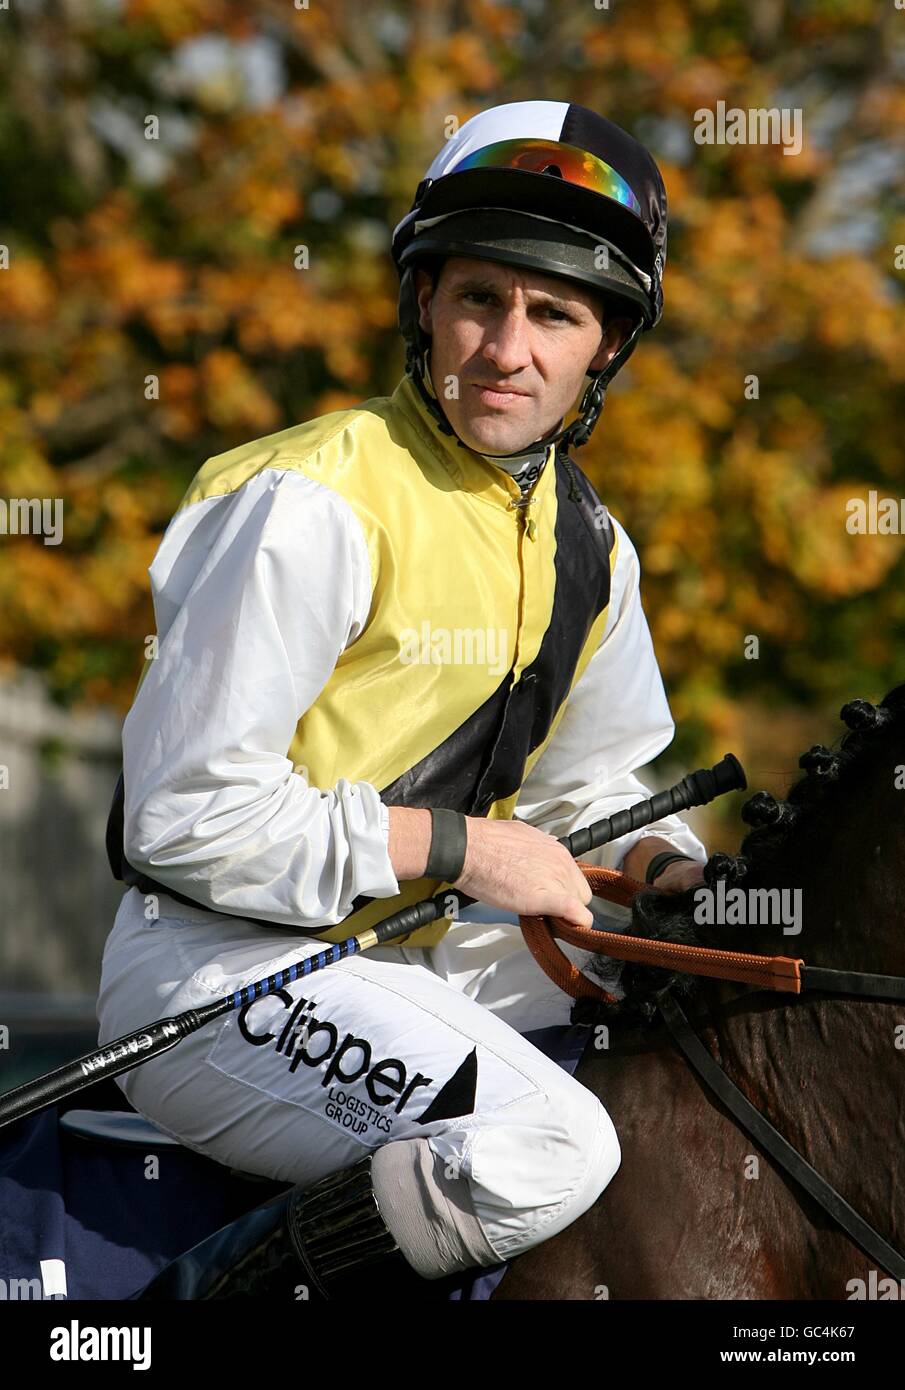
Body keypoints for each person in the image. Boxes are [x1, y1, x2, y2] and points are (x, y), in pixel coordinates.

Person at [97, 100, 708, 1300]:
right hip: (215, 973)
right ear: (422, 302)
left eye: (555, 315)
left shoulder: (593, 544)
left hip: (413, 963)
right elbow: (180, 819)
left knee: (697, 1059)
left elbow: (591, 785)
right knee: (554, 1143)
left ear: (606, 347)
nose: (507, 348)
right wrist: (462, 848)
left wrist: (669, 866)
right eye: (480, 298)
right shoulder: (301, 500)